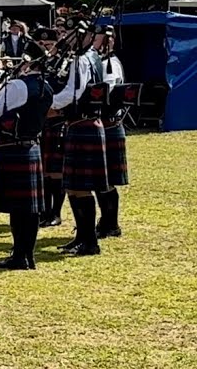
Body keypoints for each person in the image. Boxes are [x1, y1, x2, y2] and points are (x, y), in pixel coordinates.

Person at [0, 53, 52, 270]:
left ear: (29, 63)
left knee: (18, 208)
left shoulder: (17, 86)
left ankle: (19, 255)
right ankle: (27, 254)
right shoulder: (47, 87)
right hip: (32, 146)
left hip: (12, 148)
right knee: (30, 209)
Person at [51, 29, 110, 256]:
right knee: (74, 188)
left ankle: (90, 242)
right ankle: (82, 237)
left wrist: (48, 102)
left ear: (86, 36)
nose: (67, 39)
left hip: (82, 124)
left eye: (73, 35)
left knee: (80, 188)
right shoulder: (93, 57)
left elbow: (74, 93)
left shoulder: (81, 60)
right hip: (84, 124)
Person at [34, 28, 68, 227]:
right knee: (43, 171)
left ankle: (56, 213)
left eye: (49, 45)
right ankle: (44, 211)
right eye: (42, 45)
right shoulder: (38, 64)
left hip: (57, 119)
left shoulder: (64, 64)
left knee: (56, 171)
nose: (46, 48)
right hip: (40, 122)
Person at [96, 29, 127, 239]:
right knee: (100, 179)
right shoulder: (98, 61)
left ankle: (110, 223)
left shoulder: (110, 64)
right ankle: (106, 222)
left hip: (107, 124)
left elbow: (102, 94)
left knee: (105, 178)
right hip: (103, 125)